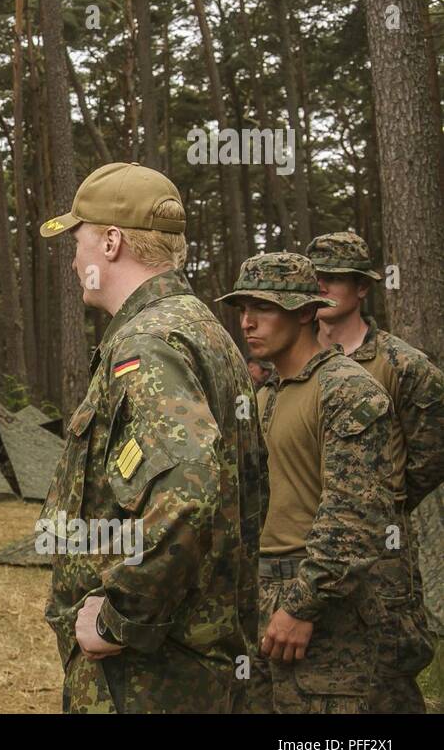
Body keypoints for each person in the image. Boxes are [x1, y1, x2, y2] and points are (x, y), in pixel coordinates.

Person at [39, 161, 266, 713]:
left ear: (112, 241)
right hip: (191, 662)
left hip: (149, 677)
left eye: (80, 239)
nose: (74, 258)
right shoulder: (199, 326)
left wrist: (121, 619)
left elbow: (190, 490)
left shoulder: (149, 343)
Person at [219, 251, 409, 713]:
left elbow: (353, 515)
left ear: (305, 311)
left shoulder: (347, 390)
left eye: (264, 308)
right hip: (260, 592)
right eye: (243, 309)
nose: (248, 323)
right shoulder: (262, 397)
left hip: (323, 605)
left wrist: (303, 605)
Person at [307, 231, 441, 711]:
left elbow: (430, 453)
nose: (322, 287)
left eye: (335, 279)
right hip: (306, 544)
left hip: (382, 559)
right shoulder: (293, 363)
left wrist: (381, 501)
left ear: (362, 287)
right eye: (315, 278)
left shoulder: (404, 366)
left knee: (388, 672)